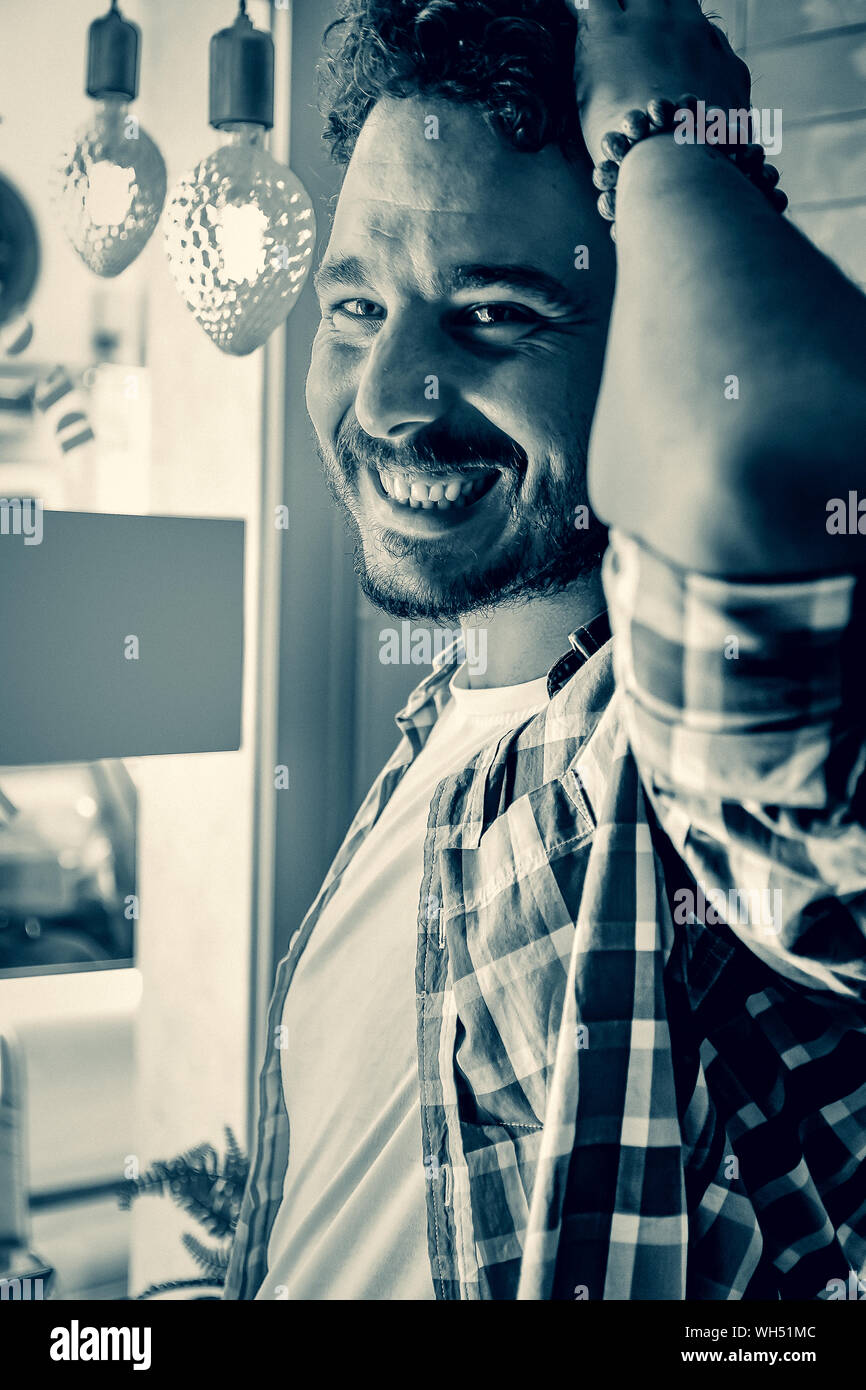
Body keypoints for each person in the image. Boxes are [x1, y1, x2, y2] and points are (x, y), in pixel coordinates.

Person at [226, 0, 866, 1300]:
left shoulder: (666, 782)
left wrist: (678, 140)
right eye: (353, 307)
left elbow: (749, 476)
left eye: (497, 314)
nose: (387, 395)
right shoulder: (434, 753)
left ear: (644, 331)